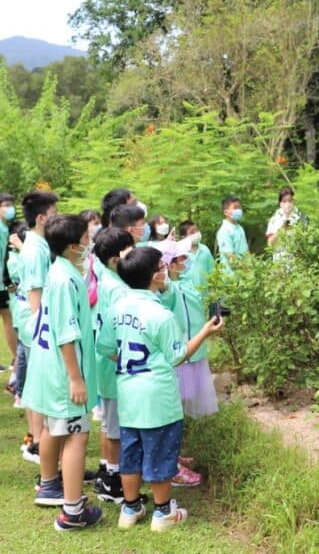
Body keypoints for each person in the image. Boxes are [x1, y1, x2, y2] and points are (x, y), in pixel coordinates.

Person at [100, 246, 224, 531]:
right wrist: (206, 330)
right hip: (158, 398)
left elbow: (106, 347)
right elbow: (178, 355)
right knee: (160, 453)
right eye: (162, 266)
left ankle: (130, 509)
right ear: (155, 275)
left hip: (128, 394)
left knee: (130, 454)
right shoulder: (160, 314)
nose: (165, 269)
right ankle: (163, 512)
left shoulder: (116, 308)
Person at [22, 213, 101, 529]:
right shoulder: (66, 280)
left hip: (47, 368)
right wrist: (75, 377)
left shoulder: (58, 270)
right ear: (72, 245)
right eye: (85, 236)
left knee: (54, 429)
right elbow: (67, 335)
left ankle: (49, 483)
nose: (89, 239)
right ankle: (72, 511)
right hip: (62, 373)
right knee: (76, 435)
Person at [154, 239, 215, 487]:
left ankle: (174, 457)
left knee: (178, 411)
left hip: (194, 353)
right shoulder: (165, 289)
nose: (186, 262)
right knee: (172, 411)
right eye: (179, 259)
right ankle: (172, 467)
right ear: (167, 264)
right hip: (179, 354)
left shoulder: (186, 282)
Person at [89, 226, 136, 504]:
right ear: (117, 258)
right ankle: (116, 481)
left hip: (103, 365)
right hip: (113, 364)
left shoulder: (103, 275)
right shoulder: (117, 288)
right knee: (116, 428)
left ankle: (107, 473)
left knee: (108, 424)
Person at [18, 189, 58, 466]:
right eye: (55, 213)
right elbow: (35, 296)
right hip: (36, 324)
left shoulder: (41, 244)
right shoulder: (34, 250)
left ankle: (38, 442)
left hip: (36, 323)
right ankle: (39, 442)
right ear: (42, 218)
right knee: (39, 385)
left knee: (37, 384)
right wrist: (45, 332)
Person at [5, 221, 27, 406]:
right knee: (22, 355)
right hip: (23, 314)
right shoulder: (14, 259)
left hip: (24, 313)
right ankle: (18, 390)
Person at [0, 192, 16, 374]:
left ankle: (16, 358)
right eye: (5, 204)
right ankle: (16, 359)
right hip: (1, 284)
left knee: (8, 319)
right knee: (8, 319)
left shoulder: (7, 229)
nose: (9, 208)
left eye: (11, 204)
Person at [216, 196, 248, 268]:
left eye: (239, 207)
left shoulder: (240, 228)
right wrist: (245, 268)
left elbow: (246, 251)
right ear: (226, 212)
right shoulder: (224, 231)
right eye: (235, 208)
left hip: (245, 275)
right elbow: (230, 256)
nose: (239, 210)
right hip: (231, 276)